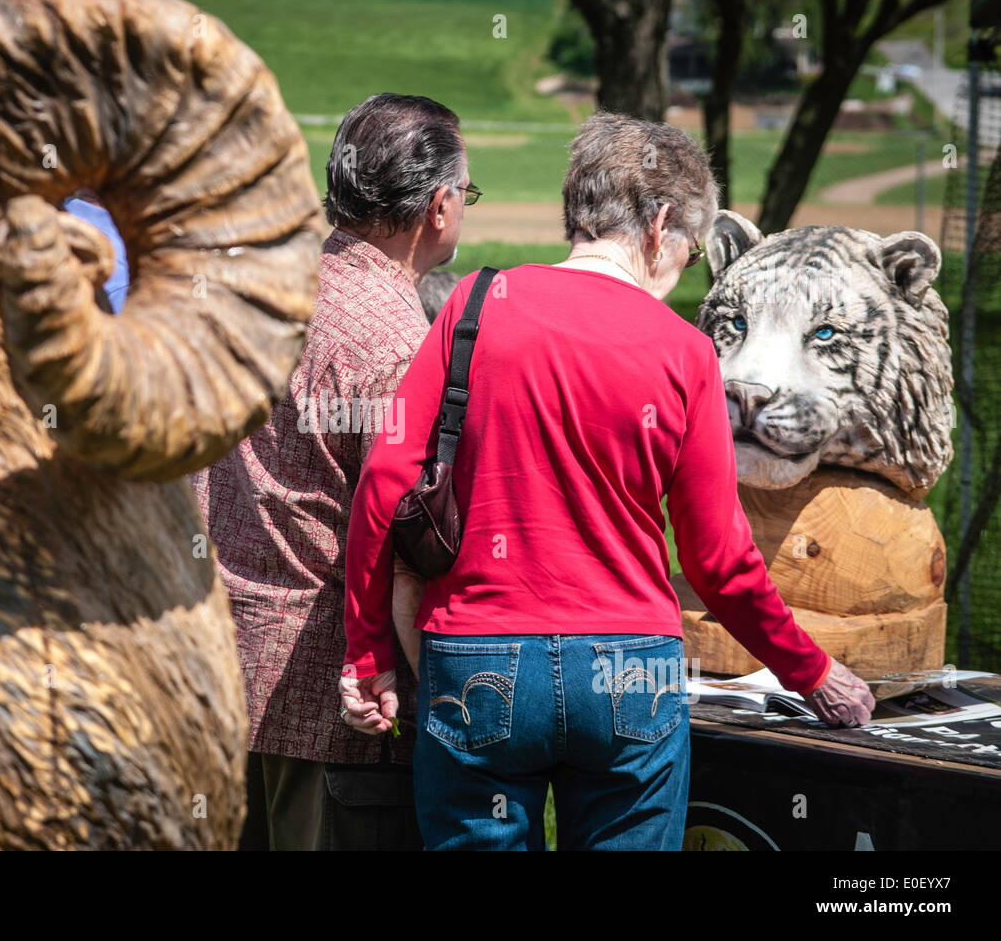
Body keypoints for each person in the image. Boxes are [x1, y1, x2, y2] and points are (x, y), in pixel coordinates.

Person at [338, 111, 876, 851]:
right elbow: (718, 559)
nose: (680, 268)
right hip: (631, 671)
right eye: (688, 249)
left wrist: (368, 653)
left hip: (477, 662)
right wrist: (810, 671)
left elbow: (383, 484)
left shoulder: (470, 308)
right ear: (660, 225)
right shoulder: (686, 354)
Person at [191, 93, 475, 850]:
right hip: (333, 702)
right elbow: (409, 538)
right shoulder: (396, 342)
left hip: (216, 665)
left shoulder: (259, 296)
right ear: (439, 207)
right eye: (465, 194)